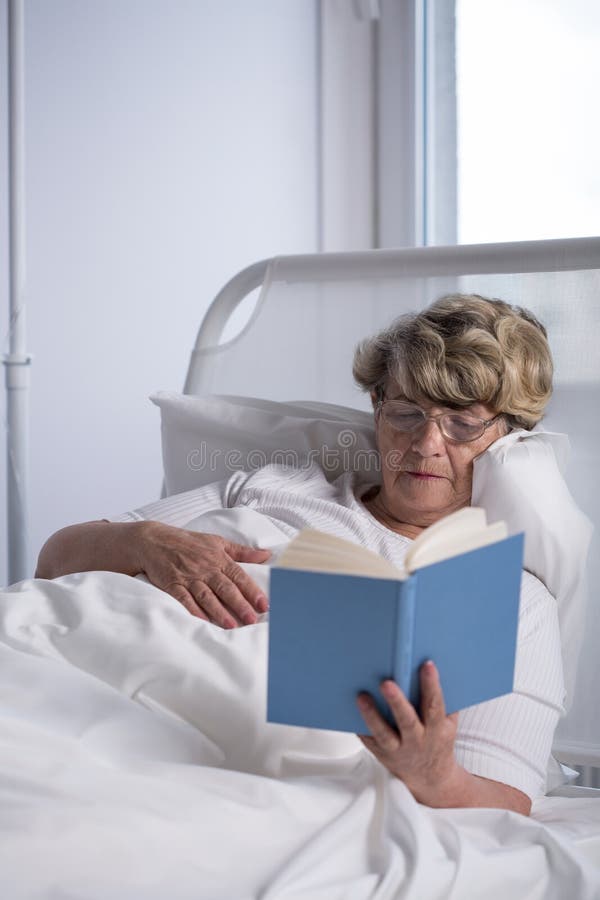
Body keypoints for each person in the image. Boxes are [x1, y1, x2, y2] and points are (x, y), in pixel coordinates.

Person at [36, 293, 565, 817]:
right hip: (77, 683)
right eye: (406, 413)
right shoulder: (272, 488)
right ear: (377, 409)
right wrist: (143, 541)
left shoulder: (512, 598)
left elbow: (506, 800)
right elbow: (55, 560)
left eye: (463, 424)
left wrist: (435, 775)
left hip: (215, 761)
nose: (426, 443)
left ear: (508, 438)